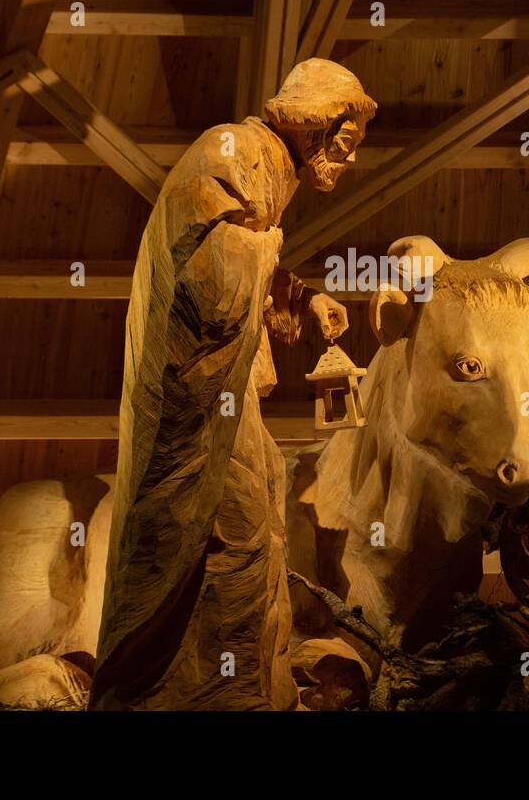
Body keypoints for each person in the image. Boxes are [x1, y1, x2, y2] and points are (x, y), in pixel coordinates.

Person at [90, 59, 376, 709]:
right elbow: (212, 269)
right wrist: (268, 251)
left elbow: (245, 252)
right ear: (318, 124)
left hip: (228, 390)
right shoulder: (233, 148)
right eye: (348, 141)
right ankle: (195, 694)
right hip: (195, 396)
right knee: (235, 530)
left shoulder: (267, 165)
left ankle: (245, 686)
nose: (350, 160)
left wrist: (301, 302)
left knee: (262, 512)